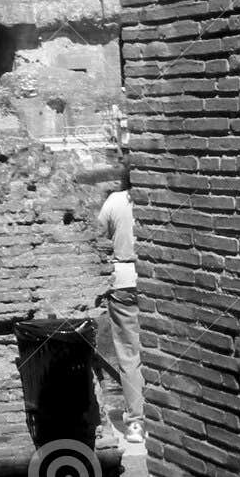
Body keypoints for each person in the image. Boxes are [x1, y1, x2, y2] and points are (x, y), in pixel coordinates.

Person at [98, 164, 145, 447]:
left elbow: (97, 237)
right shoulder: (156, 199)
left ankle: (136, 422)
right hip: (156, 280)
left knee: (129, 355)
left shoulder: (115, 201)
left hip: (124, 281)